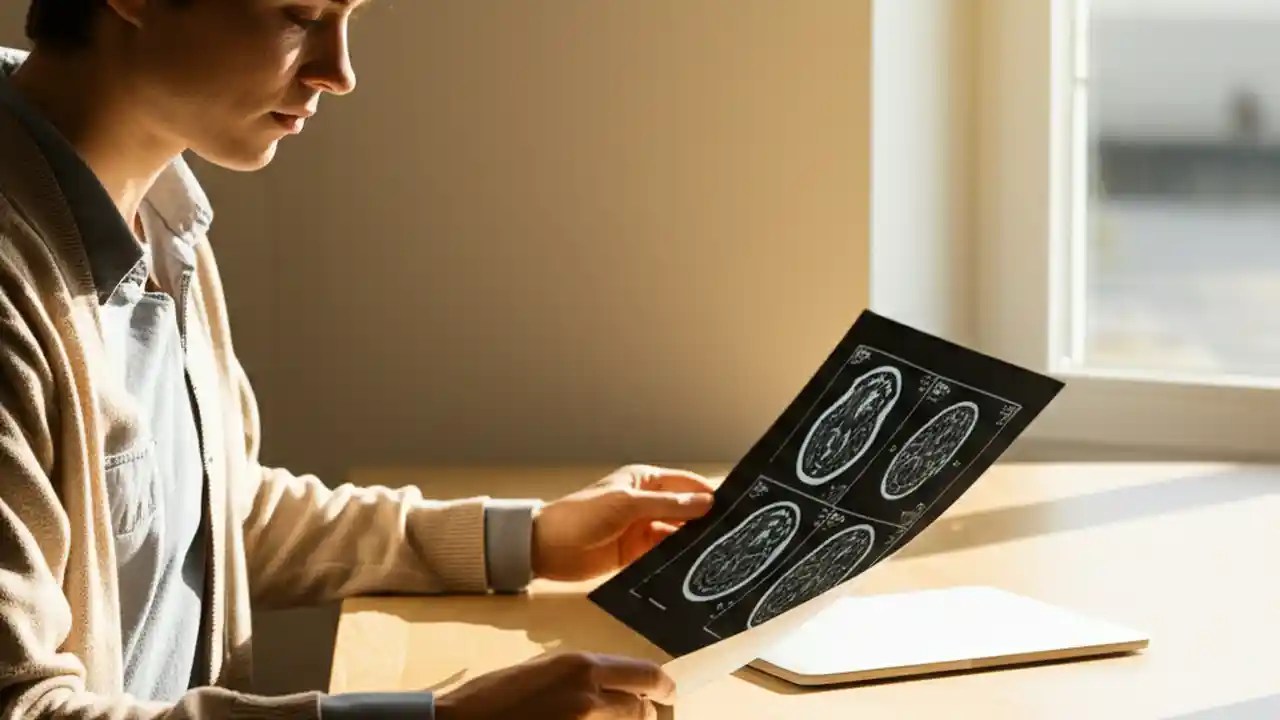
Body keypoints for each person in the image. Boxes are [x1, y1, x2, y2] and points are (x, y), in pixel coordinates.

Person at [0, 1, 716, 718]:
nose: (338, 72)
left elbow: (218, 517)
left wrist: (528, 539)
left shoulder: (159, 210)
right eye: (300, 14)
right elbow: (23, 705)